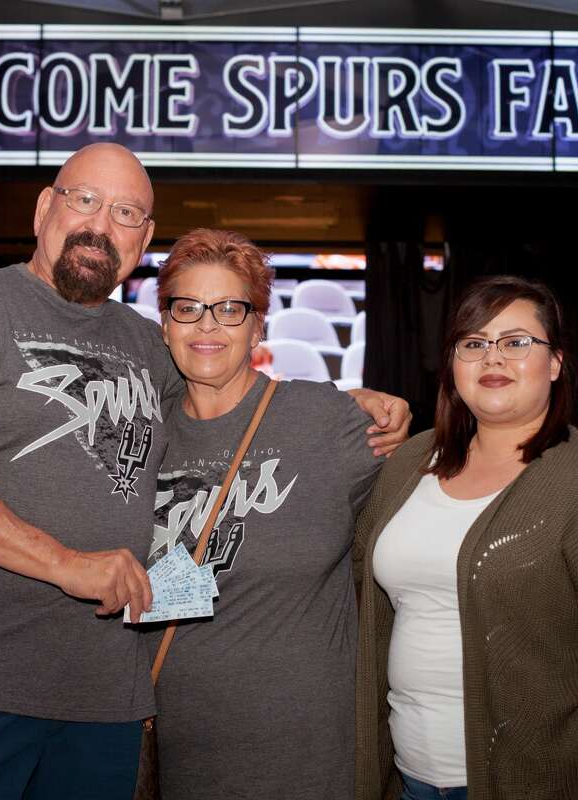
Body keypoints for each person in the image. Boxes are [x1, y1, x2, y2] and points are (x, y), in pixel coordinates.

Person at [0, 144, 409, 799]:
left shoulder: (146, 346)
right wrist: (53, 556)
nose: (101, 223)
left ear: (144, 239)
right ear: (44, 208)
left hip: (105, 703)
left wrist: (354, 403)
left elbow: (227, 385)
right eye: (84, 199)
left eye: (127, 212)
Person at [354, 276, 578, 800]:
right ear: (452, 366)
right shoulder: (410, 461)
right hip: (408, 780)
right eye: (473, 344)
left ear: (556, 362)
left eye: (517, 342)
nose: (492, 358)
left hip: (536, 784)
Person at [143, 228, 382, 799]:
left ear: (258, 325)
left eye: (230, 308)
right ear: (165, 324)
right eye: (188, 308)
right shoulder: (140, 433)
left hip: (303, 752)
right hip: (171, 748)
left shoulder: (322, 419)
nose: (207, 325)